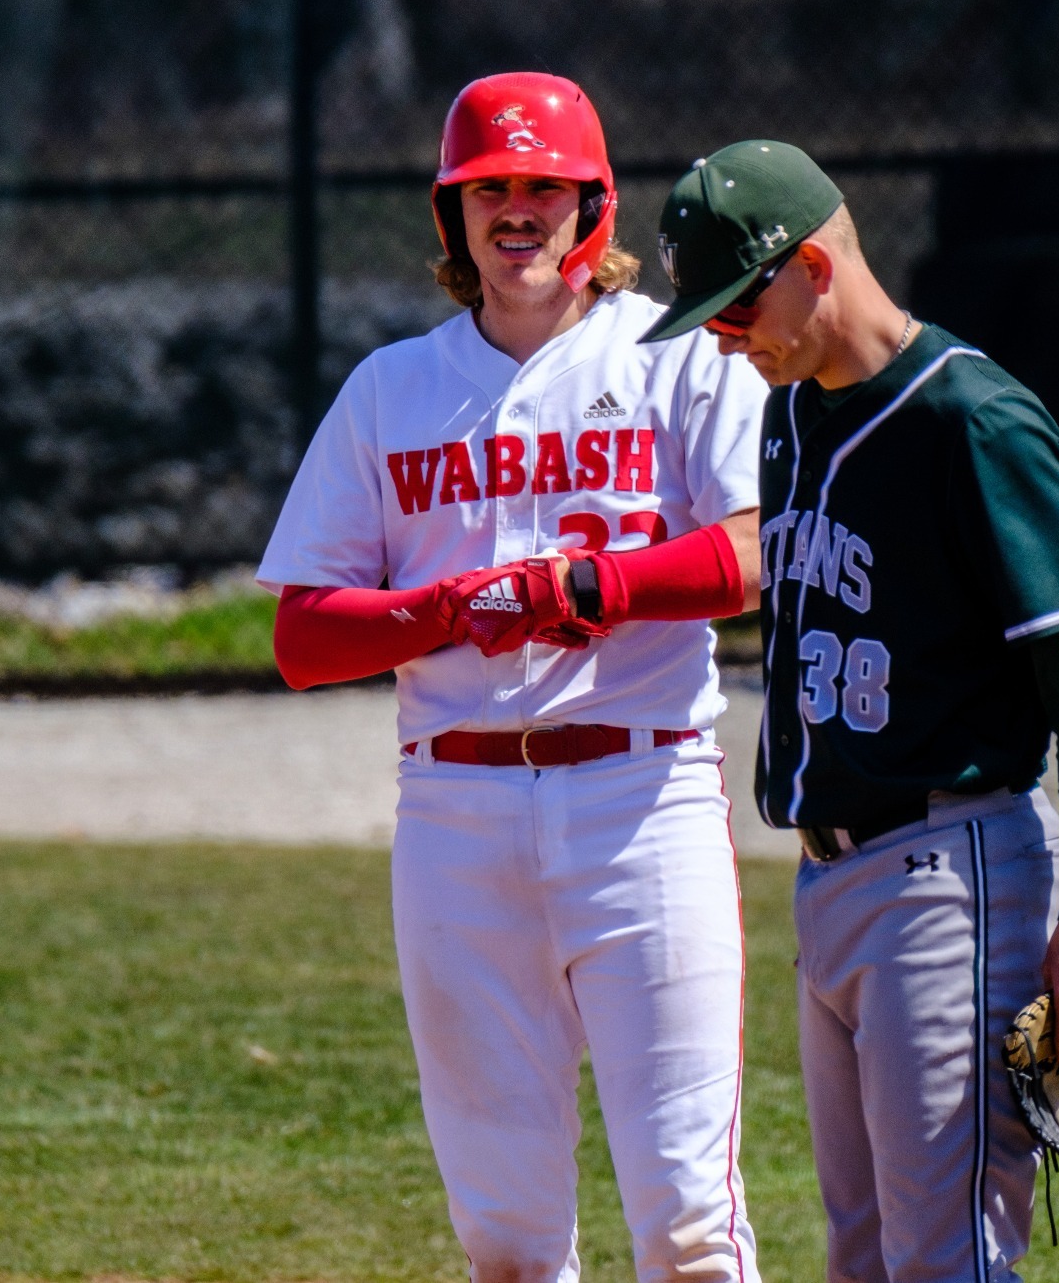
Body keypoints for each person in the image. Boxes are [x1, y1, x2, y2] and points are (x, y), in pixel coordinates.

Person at [255, 73, 767, 1283]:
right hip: (455, 813)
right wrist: (442, 611)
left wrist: (586, 589)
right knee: (504, 1241)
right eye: (491, 188)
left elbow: (756, 551)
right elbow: (303, 635)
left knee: (689, 1222)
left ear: (594, 204)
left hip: (640, 800)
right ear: (453, 215)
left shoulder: (676, 361)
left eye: (545, 186)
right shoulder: (393, 387)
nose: (517, 209)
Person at [641, 141, 1059, 1282]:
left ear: (811, 264)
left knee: (945, 1258)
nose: (723, 339)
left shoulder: (971, 417)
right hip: (829, 884)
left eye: (735, 308)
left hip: (946, 874)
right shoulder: (791, 415)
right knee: (861, 1258)